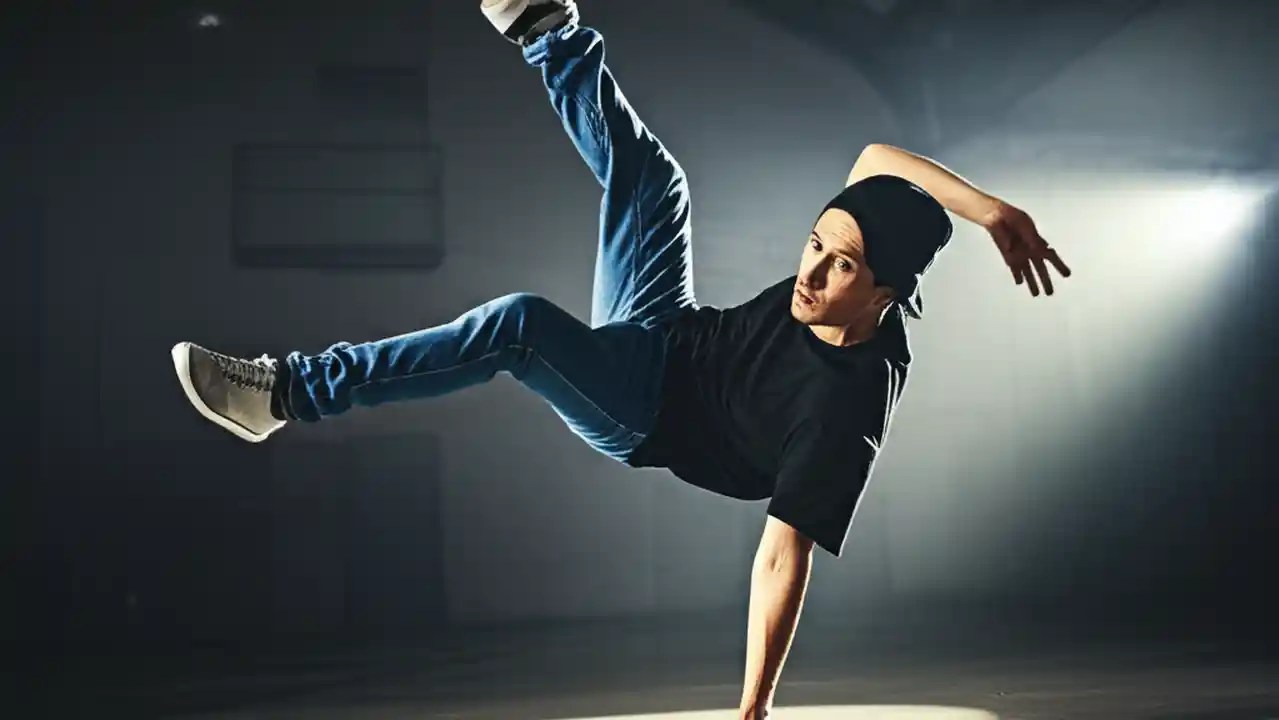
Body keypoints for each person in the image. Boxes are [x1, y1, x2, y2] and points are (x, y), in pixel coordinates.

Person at [170, 1, 1071, 717]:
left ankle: (287, 393)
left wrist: (753, 709)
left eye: (841, 266)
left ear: (886, 294)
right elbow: (878, 154)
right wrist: (989, 211)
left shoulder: (850, 404)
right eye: (815, 241)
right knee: (655, 180)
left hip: (645, 412)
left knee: (518, 326)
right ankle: (543, 28)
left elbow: (779, 561)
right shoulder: (852, 255)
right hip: (664, 329)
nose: (812, 270)